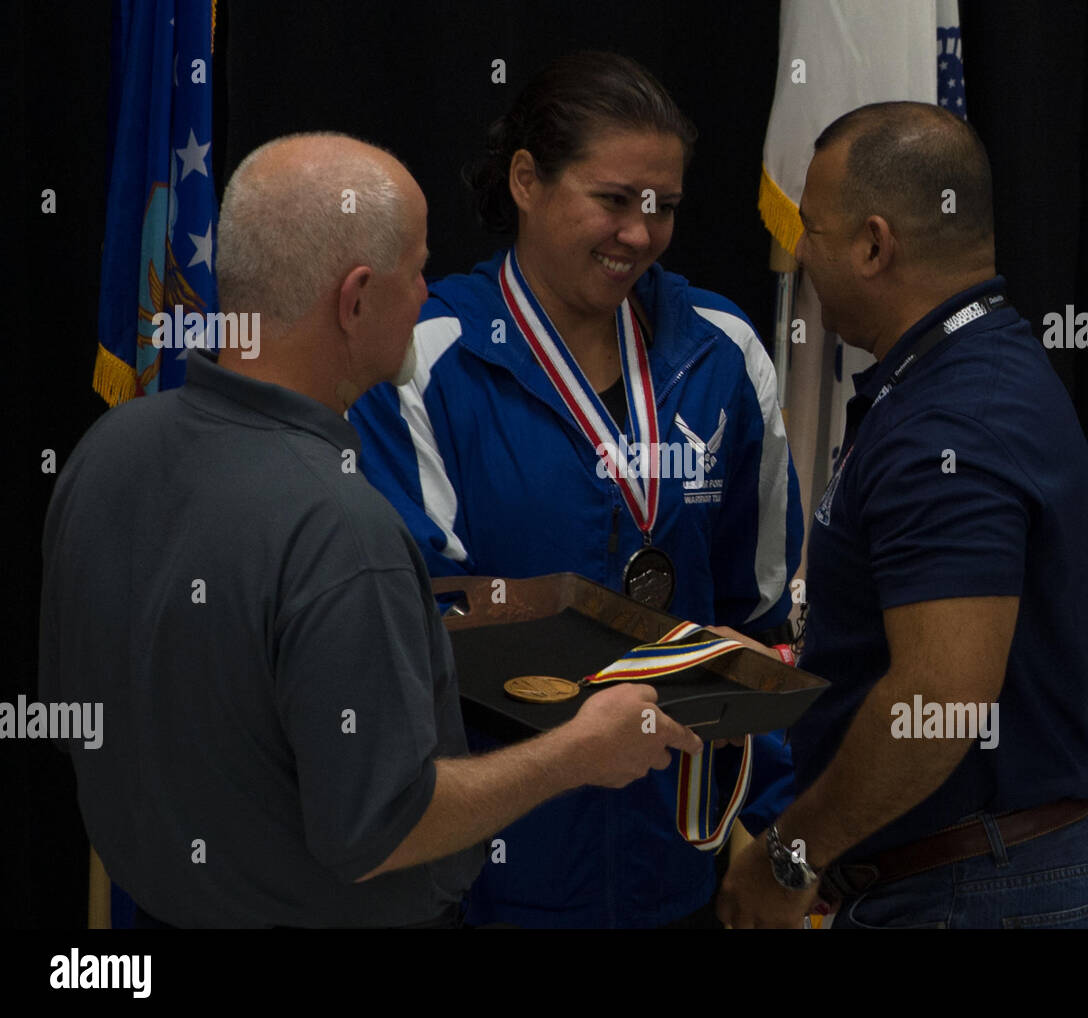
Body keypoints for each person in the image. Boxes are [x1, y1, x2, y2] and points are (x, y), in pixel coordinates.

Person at [38, 133, 700, 929]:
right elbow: (381, 829)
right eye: (418, 270)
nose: (429, 293)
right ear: (355, 300)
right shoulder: (345, 528)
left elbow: (78, 716)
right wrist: (578, 752)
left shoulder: (108, 449)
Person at [347, 52, 803, 928]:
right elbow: (422, 626)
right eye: (613, 198)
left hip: (678, 874)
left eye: (663, 206)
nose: (640, 231)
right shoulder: (424, 358)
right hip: (487, 880)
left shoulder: (724, 352)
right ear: (526, 180)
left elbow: (758, 624)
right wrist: (614, 702)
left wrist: (768, 836)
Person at [716, 102, 1088, 929]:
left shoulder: (949, 423)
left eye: (813, 229)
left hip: (981, 895)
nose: (800, 253)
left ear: (875, 245)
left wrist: (787, 858)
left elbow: (939, 697)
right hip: (997, 874)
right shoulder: (979, 363)